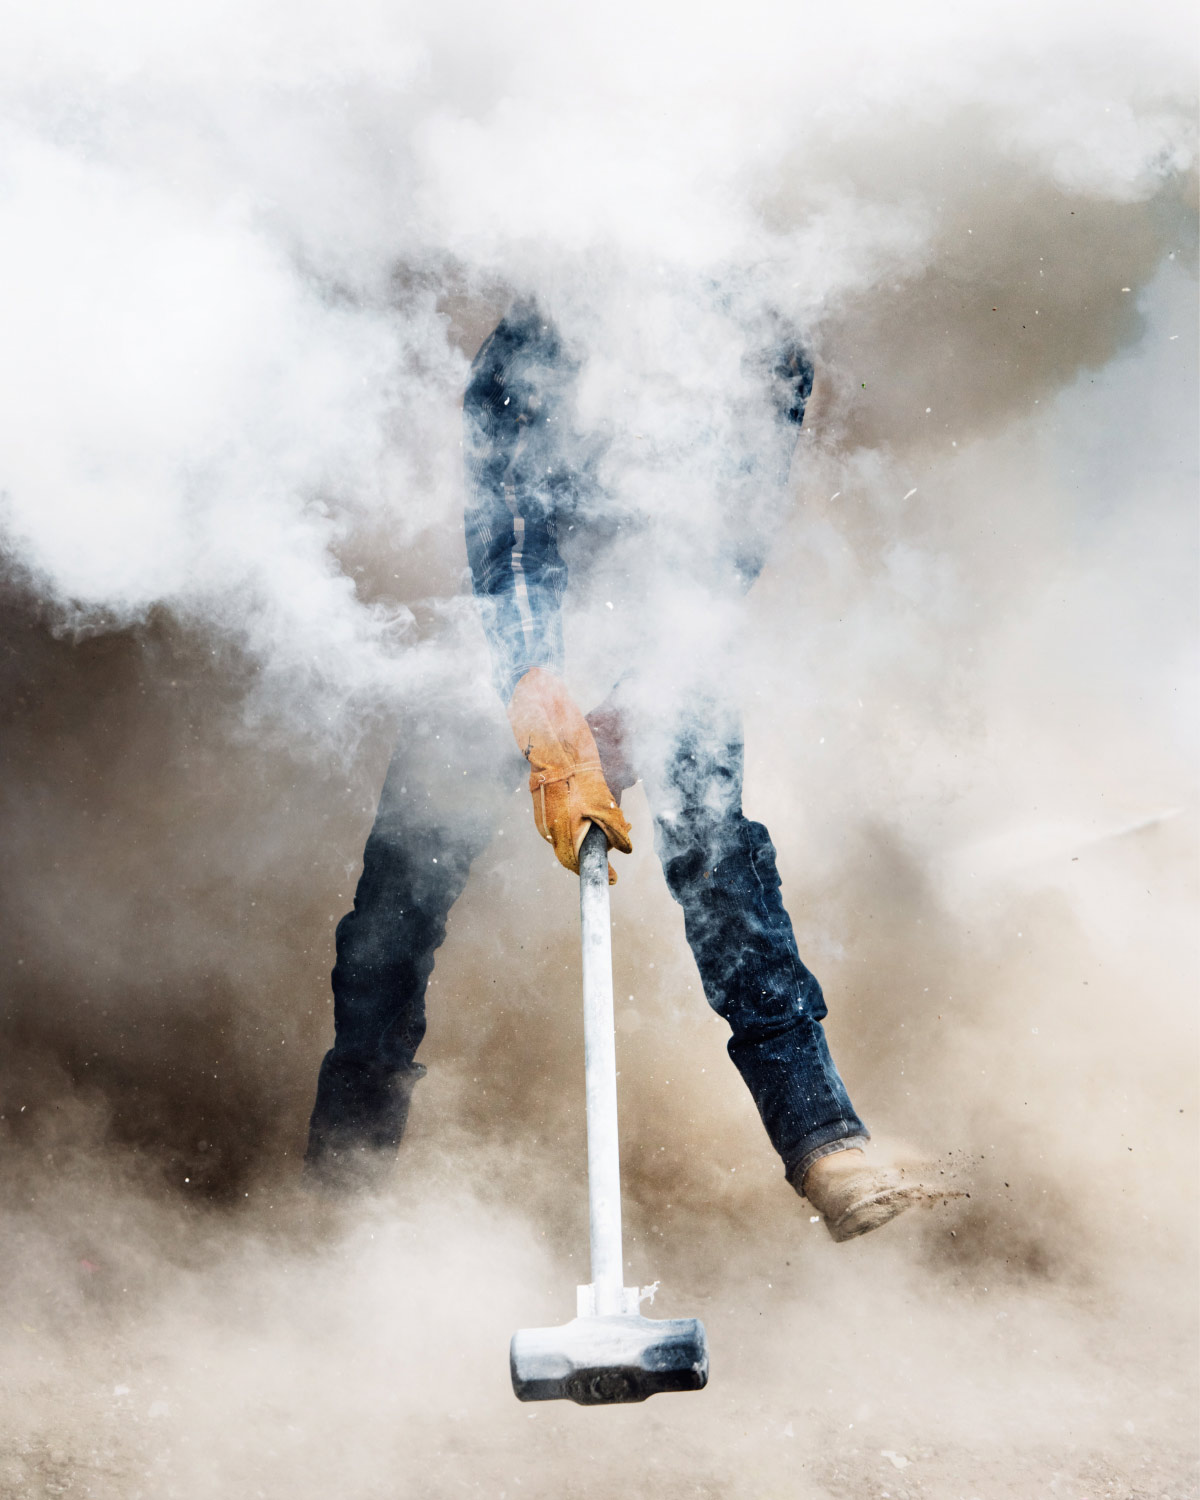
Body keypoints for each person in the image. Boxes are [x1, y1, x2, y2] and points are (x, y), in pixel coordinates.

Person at [305, 300, 931, 1240]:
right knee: (393, 911)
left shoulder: (769, 349)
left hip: (670, 641)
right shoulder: (535, 334)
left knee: (724, 863)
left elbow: (725, 552)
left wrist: (650, 687)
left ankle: (826, 1141)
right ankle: (341, 1188)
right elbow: (510, 541)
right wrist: (538, 688)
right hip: (512, 650)